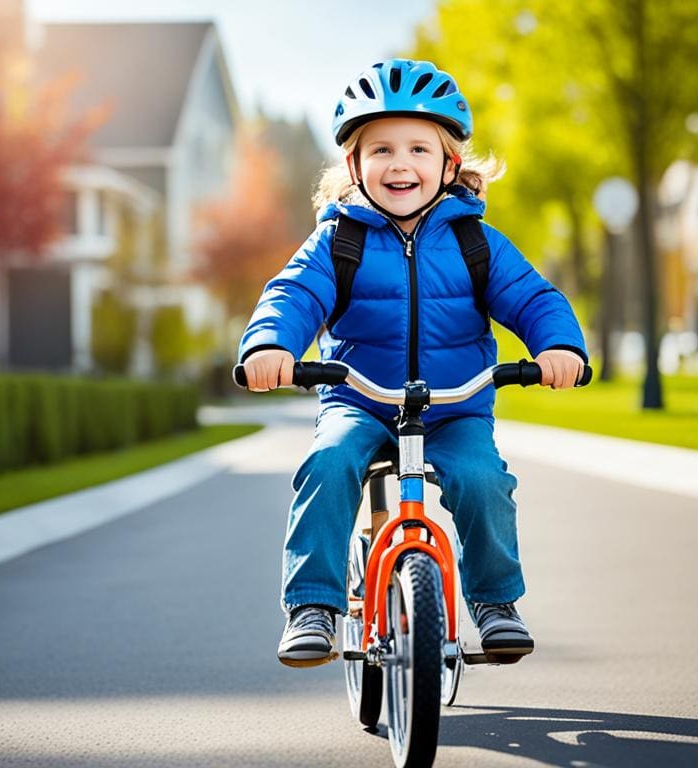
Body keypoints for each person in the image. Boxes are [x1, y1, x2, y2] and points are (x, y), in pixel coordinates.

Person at [238, 59, 587, 667]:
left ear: (450, 164)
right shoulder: (337, 241)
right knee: (329, 461)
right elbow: (292, 295)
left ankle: (496, 602)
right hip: (361, 400)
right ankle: (313, 605)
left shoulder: (475, 242)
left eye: (419, 148)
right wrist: (271, 346)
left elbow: (533, 297)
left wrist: (558, 347)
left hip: (455, 407)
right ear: (354, 166)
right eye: (381, 150)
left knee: (482, 480)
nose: (400, 164)